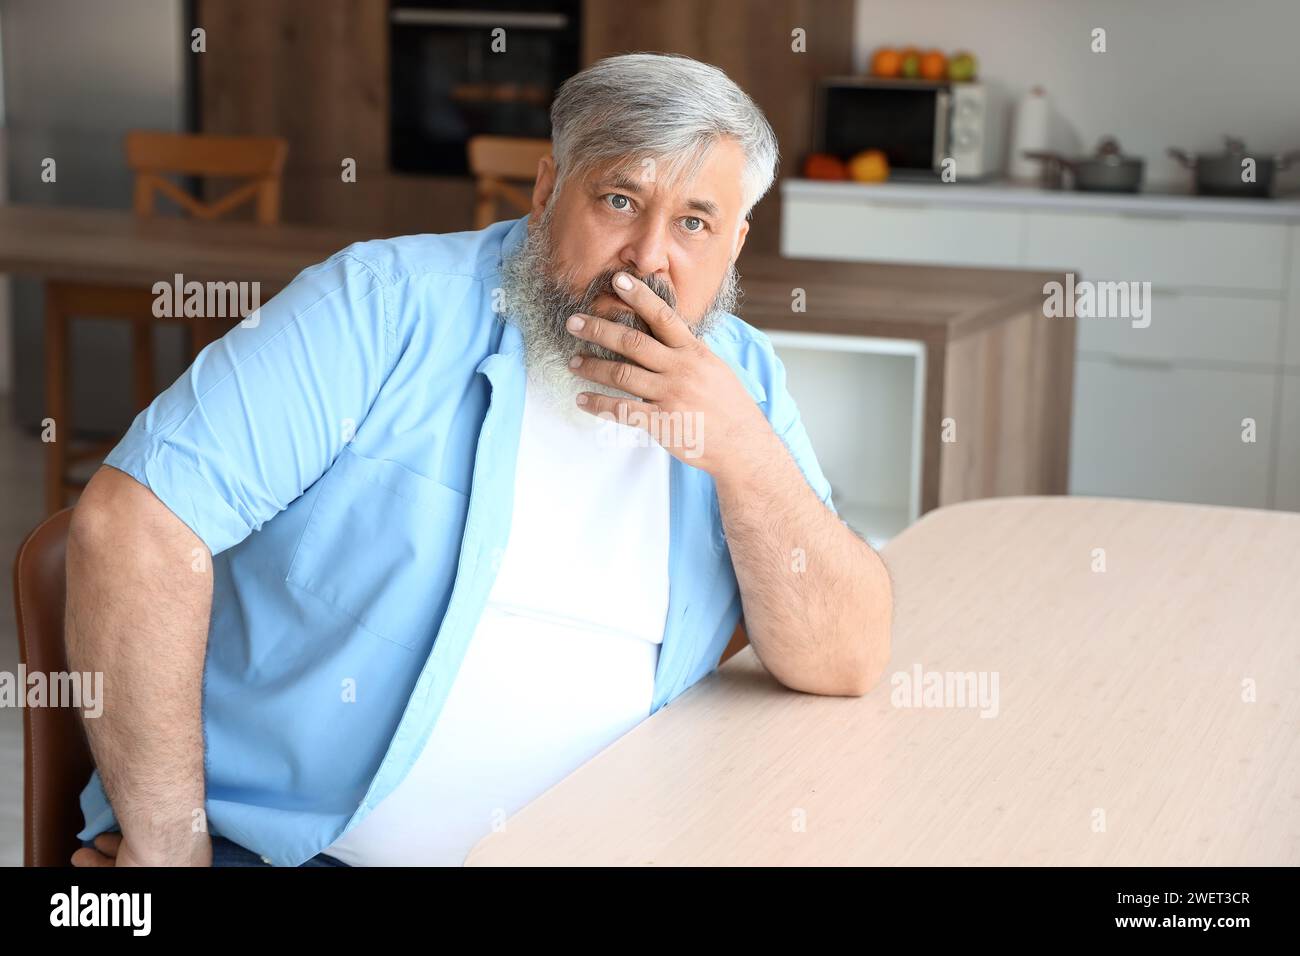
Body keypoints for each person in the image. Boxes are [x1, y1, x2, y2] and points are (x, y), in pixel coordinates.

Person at [67, 52, 892, 868]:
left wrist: (745, 454)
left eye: (693, 223)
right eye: (618, 200)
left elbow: (845, 659)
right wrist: (169, 844)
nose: (647, 257)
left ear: (735, 243)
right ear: (545, 193)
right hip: (307, 852)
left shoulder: (740, 379)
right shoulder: (379, 308)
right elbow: (130, 525)